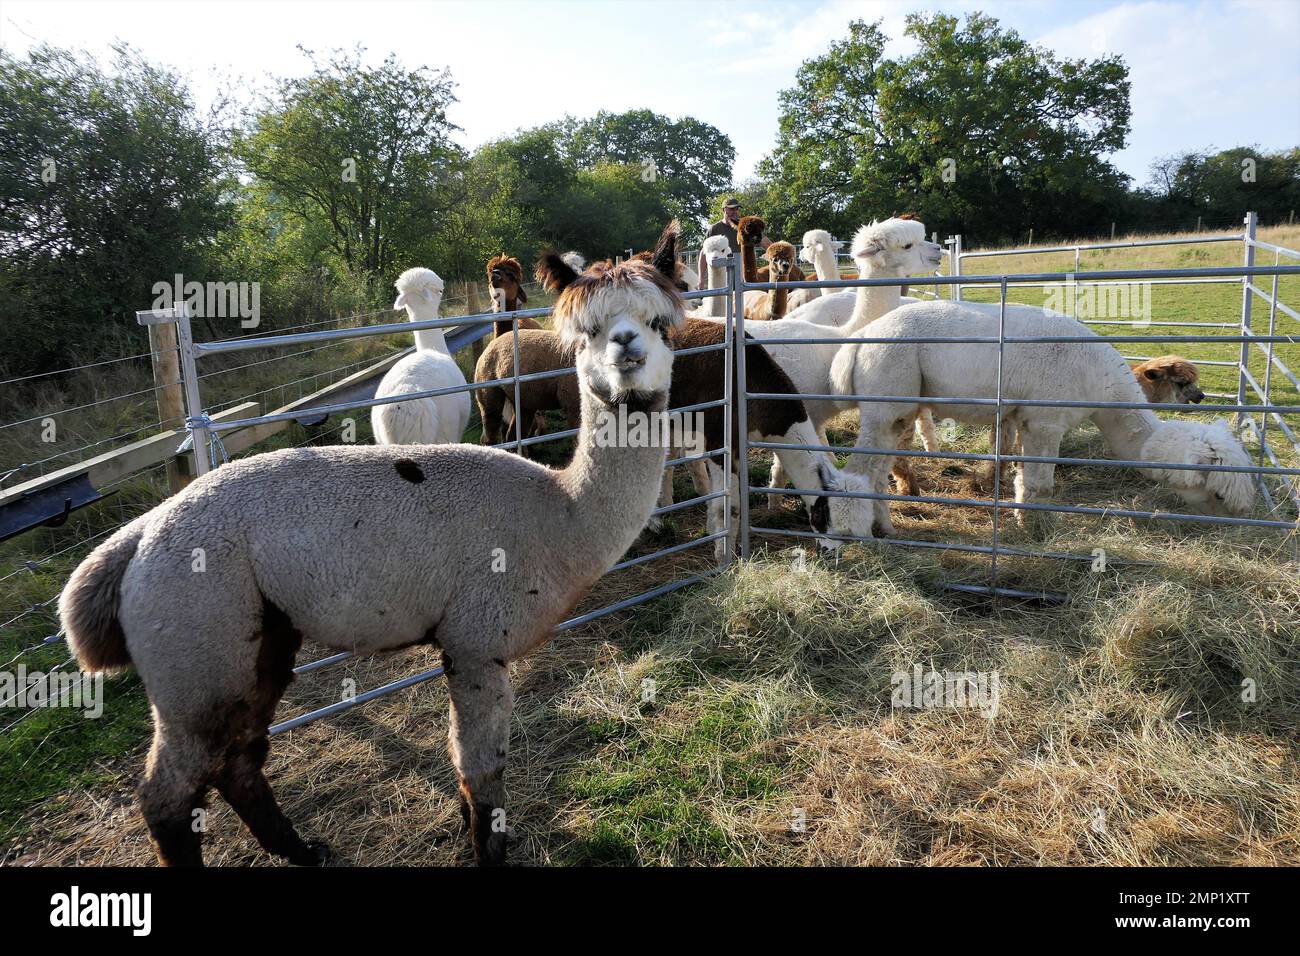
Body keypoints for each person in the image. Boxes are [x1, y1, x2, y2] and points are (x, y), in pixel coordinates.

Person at [698, 198, 770, 283]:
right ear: (724, 210)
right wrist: (701, 278)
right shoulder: (715, 229)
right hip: (722, 276)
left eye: (737, 209)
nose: (735, 212)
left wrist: (777, 253)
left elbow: (765, 242)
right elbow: (704, 253)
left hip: (743, 275)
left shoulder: (745, 226)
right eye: (732, 209)